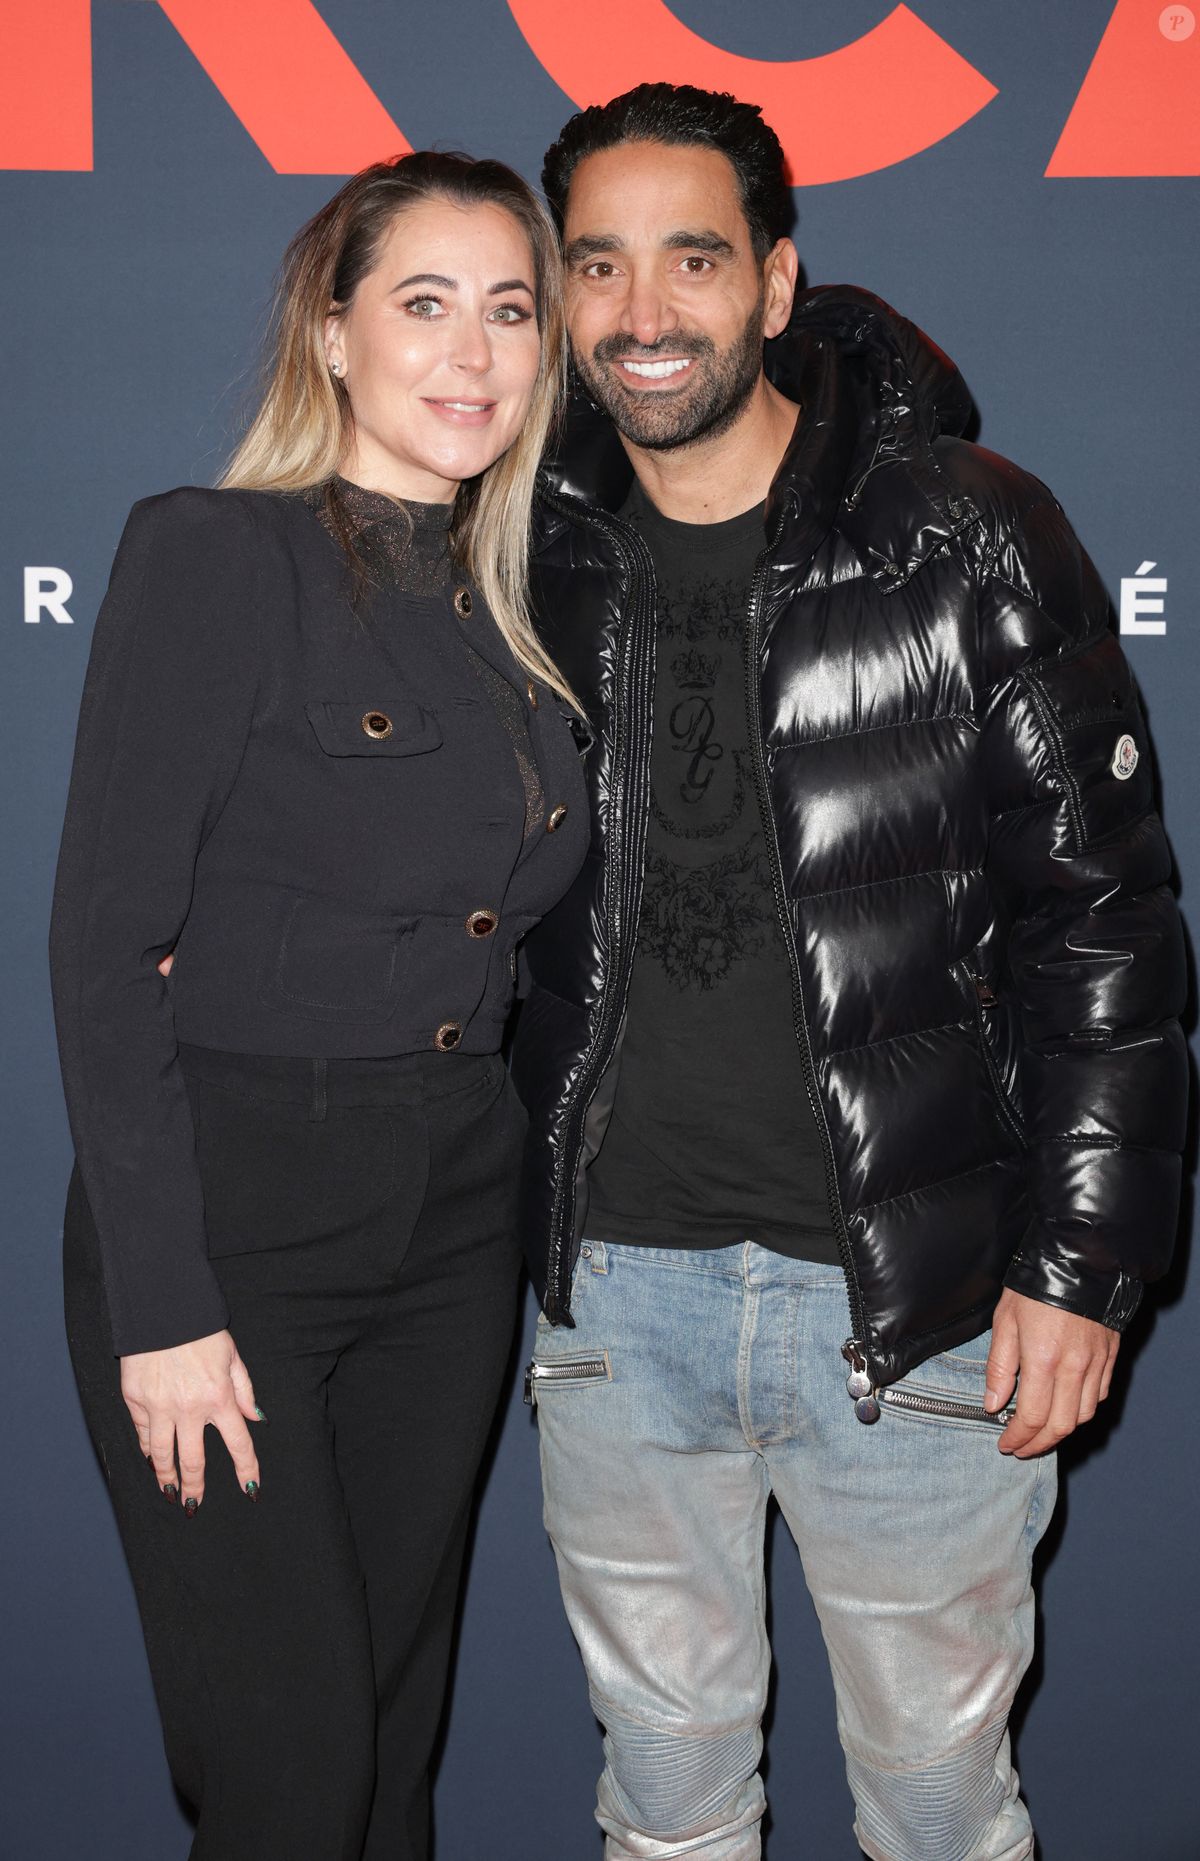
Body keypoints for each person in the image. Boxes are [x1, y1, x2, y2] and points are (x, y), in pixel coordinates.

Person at [513, 83, 1186, 1861]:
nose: (644, 314)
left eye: (693, 259)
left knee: (940, 1811)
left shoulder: (968, 528)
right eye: (597, 263)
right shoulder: (519, 550)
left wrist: (1084, 1263)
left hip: (924, 1309)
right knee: (662, 1801)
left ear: (778, 278)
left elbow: (1107, 925)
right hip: (616, 1303)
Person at [50, 150, 587, 1861]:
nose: (475, 349)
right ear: (333, 332)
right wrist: (161, 1298)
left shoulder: (523, 622)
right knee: (288, 1773)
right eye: (423, 301)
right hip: (241, 1215)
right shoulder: (217, 555)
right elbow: (98, 945)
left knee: (388, 1744)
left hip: (450, 1213)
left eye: (512, 308)